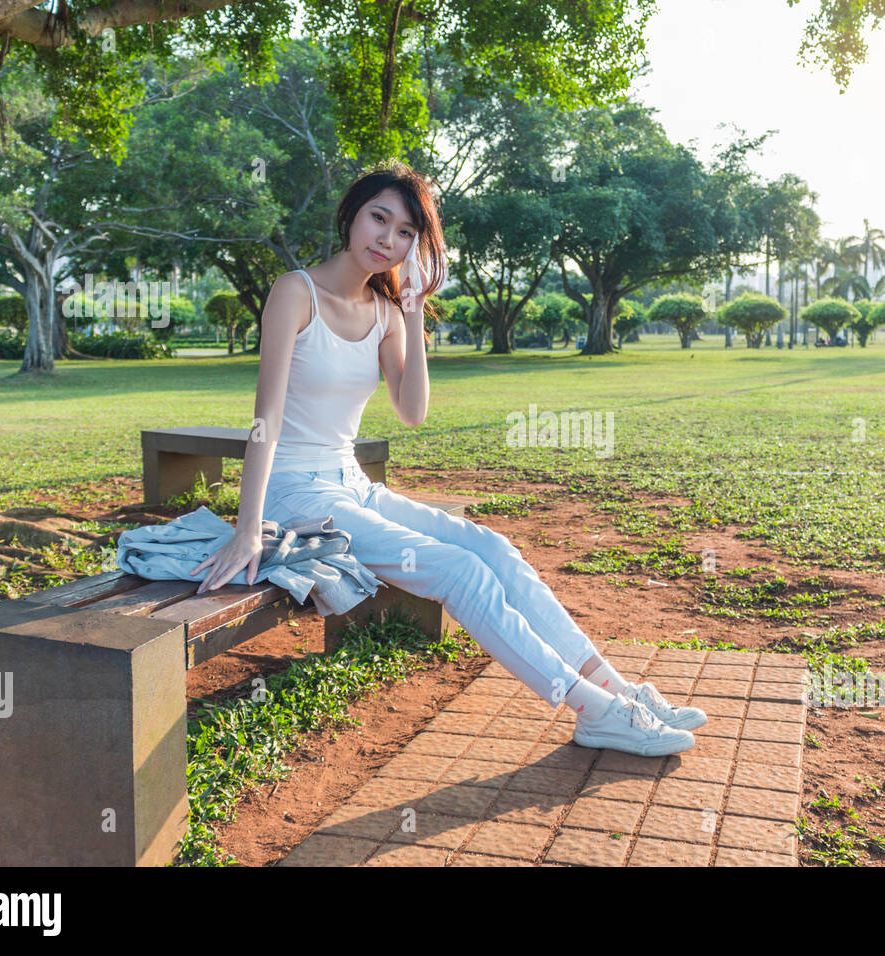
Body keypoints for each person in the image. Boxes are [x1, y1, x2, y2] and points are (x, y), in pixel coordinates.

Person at [190, 162, 706, 757]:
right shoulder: (295, 292)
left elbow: (411, 411)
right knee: (457, 572)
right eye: (378, 218)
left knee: (491, 547)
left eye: (406, 232)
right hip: (296, 495)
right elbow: (266, 421)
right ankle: (595, 711)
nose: (388, 239)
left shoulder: (385, 313)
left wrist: (411, 309)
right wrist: (248, 527)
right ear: (351, 215)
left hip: (351, 486)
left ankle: (615, 688)